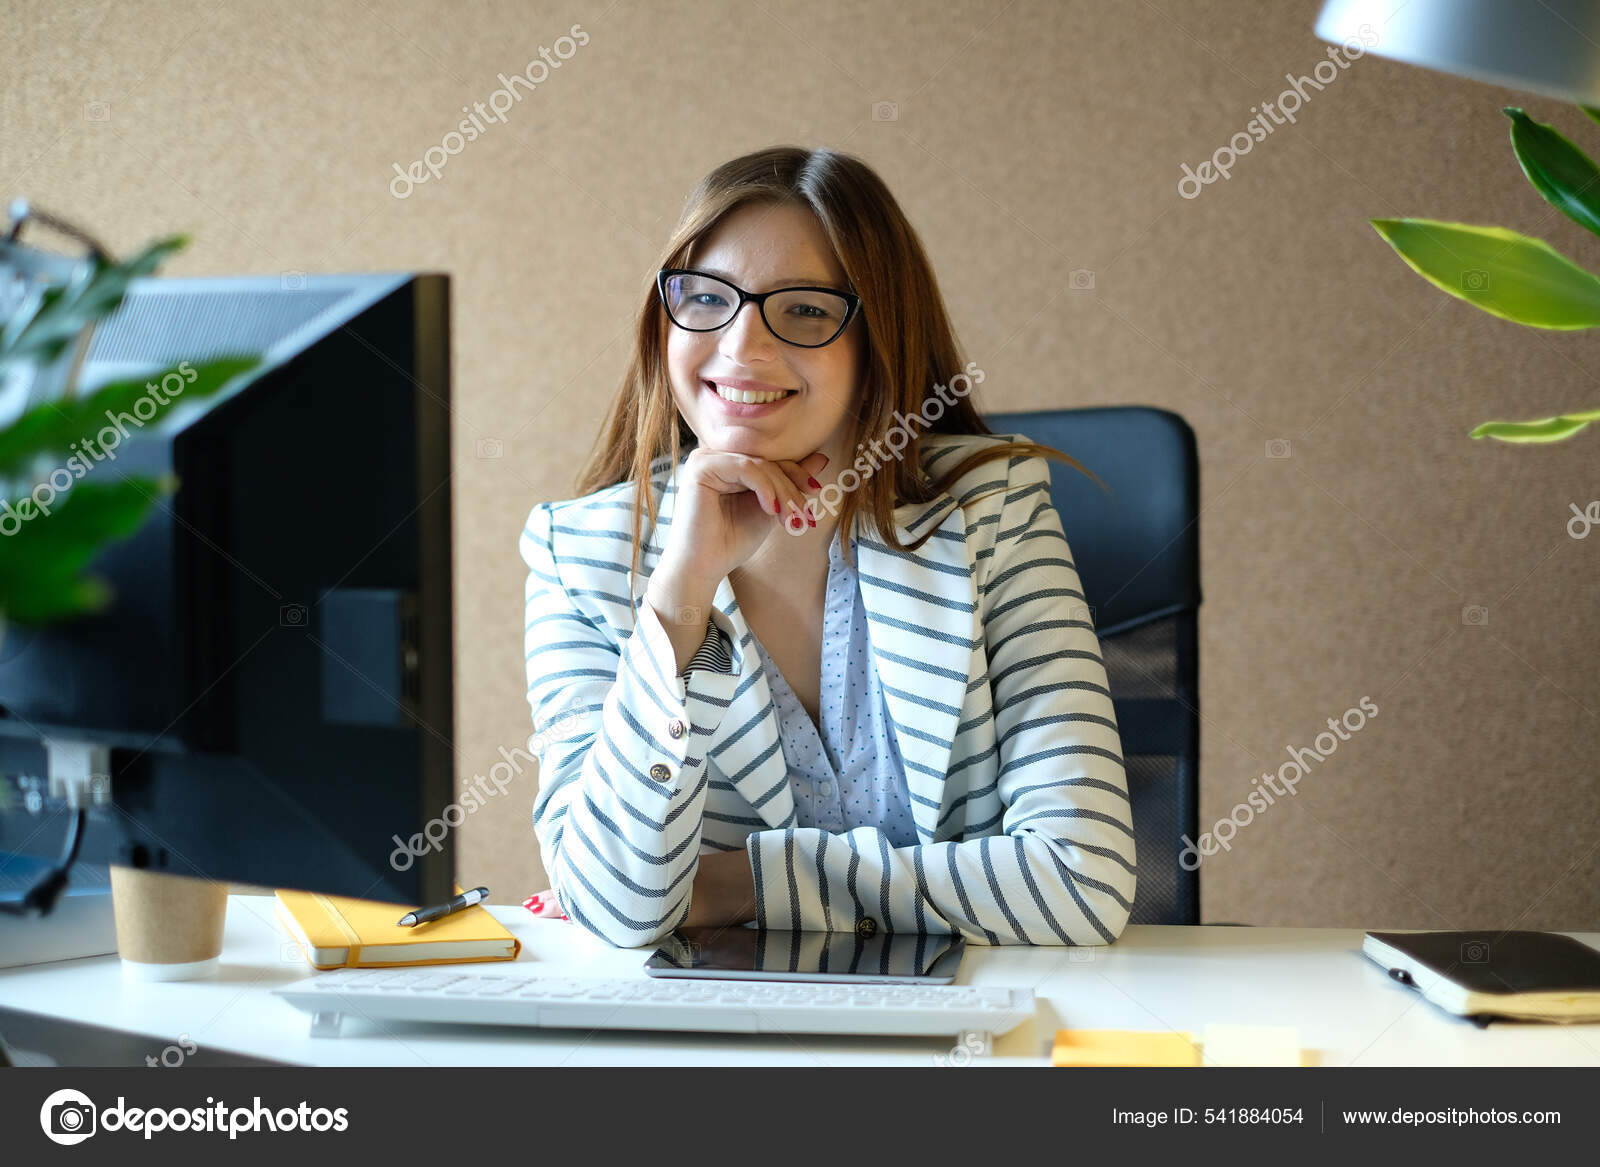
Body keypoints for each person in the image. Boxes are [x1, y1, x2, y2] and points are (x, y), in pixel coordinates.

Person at [520, 145, 1135, 947]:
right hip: (717, 1048)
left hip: (967, 1037)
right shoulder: (582, 557)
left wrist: (742, 881)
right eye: (706, 299)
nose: (741, 347)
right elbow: (617, 907)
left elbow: (1080, 882)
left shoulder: (993, 512)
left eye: (805, 309)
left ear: (878, 336)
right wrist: (680, 602)